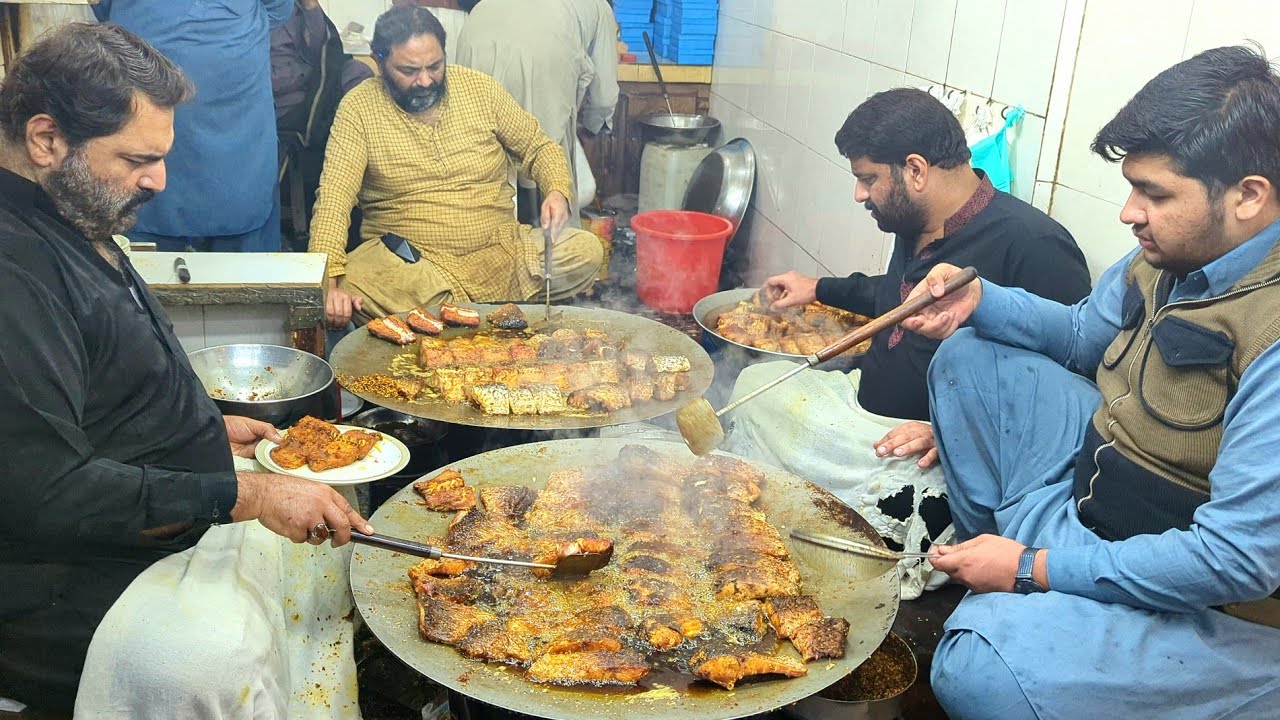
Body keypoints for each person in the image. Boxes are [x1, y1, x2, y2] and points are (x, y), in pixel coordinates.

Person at [0, 23, 372, 715]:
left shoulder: (69, 214)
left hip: (149, 517)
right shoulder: (13, 267)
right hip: (65, 577)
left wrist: (201, 422)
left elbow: (102, 386)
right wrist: (245, 497)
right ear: (46, 139)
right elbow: (44, 491)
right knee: (215, 660)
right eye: (137, 159)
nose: (159, 181)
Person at [902, 45, 1280, 719]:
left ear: (1249, 196)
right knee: (969, 359)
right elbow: (1082, 336)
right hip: (1094, 499)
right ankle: (1007, 578)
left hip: (1204, 594)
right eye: (1133, 187)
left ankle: (1027, 599)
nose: (1129, 213)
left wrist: (1033, 569)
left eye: (1155, 194)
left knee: (977, 669)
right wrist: (979, 298)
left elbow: (1235, 558)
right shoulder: (1167, 255)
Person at [722, 88, 1090, 598]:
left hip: (923, 450)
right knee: (754, 385)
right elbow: (895, 296)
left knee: (907, 496)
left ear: (915, 170)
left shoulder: (1036, 245)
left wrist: (951, 431)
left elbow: (1066, 396)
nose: (859, 194)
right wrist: (818, 288)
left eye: (867, 178)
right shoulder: (913, 221)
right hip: (860, 407)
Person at [309, 6, 605, 328]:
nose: (425, 80)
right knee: (351, 281)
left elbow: (539, 147)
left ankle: (451, 317)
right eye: (409, 70)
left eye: (435, 66)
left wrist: (557, 191)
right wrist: (329, 281)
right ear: (378, 62)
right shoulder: (358, 108)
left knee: (586, 250)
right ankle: (486, 314)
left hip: (501, 253)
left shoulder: (480, 89)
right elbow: (335, 198)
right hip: (417, 268)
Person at [93, 0, 292, 253]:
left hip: (232, 115)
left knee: (242, 249)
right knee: (137, 239)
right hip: (145, 84)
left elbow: (279, 8)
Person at [455, 0, 619, 219]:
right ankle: (550, 232)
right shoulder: (600, 7)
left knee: (483, 160)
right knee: (551, 164)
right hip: (541, 57)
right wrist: (591, 127)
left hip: (474, 36)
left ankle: (488, 229)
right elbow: (605, 97)